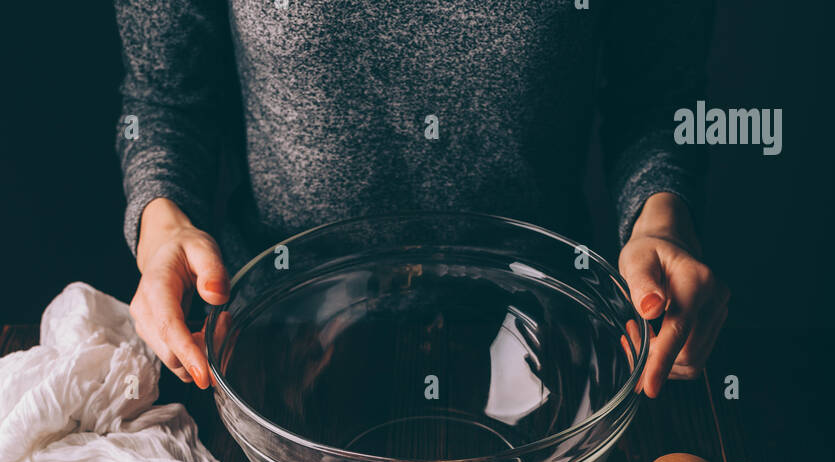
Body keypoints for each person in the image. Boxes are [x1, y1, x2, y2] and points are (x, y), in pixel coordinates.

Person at [115, 1, 728, 399]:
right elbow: (166, 97)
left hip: (543, 347)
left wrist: (661, 219)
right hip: (273, 348)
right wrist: (162, 223)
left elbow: (660, 96)